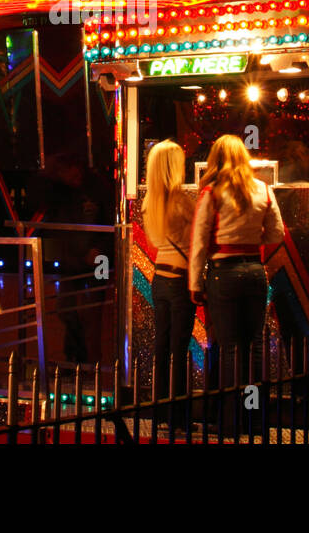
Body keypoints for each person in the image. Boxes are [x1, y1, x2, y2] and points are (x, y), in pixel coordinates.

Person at [189, 134, 284, 394]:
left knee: (230, 347)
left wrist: (195, 283)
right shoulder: (263, 189)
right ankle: (253, 416)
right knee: (254, 344)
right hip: (255, 270)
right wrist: (254, 239)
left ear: (216, 160)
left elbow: (198, 240)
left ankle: (231, 419)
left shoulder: (212, 192)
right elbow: (277, 234)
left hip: (223, 273)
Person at [142, 140, 195, 419]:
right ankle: (177, 414)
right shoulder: (181, 201)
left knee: (161, 346)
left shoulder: (149, 201)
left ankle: (160, 411)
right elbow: (199, 239)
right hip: (179, 278)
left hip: (158, 278)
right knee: (178, 348)